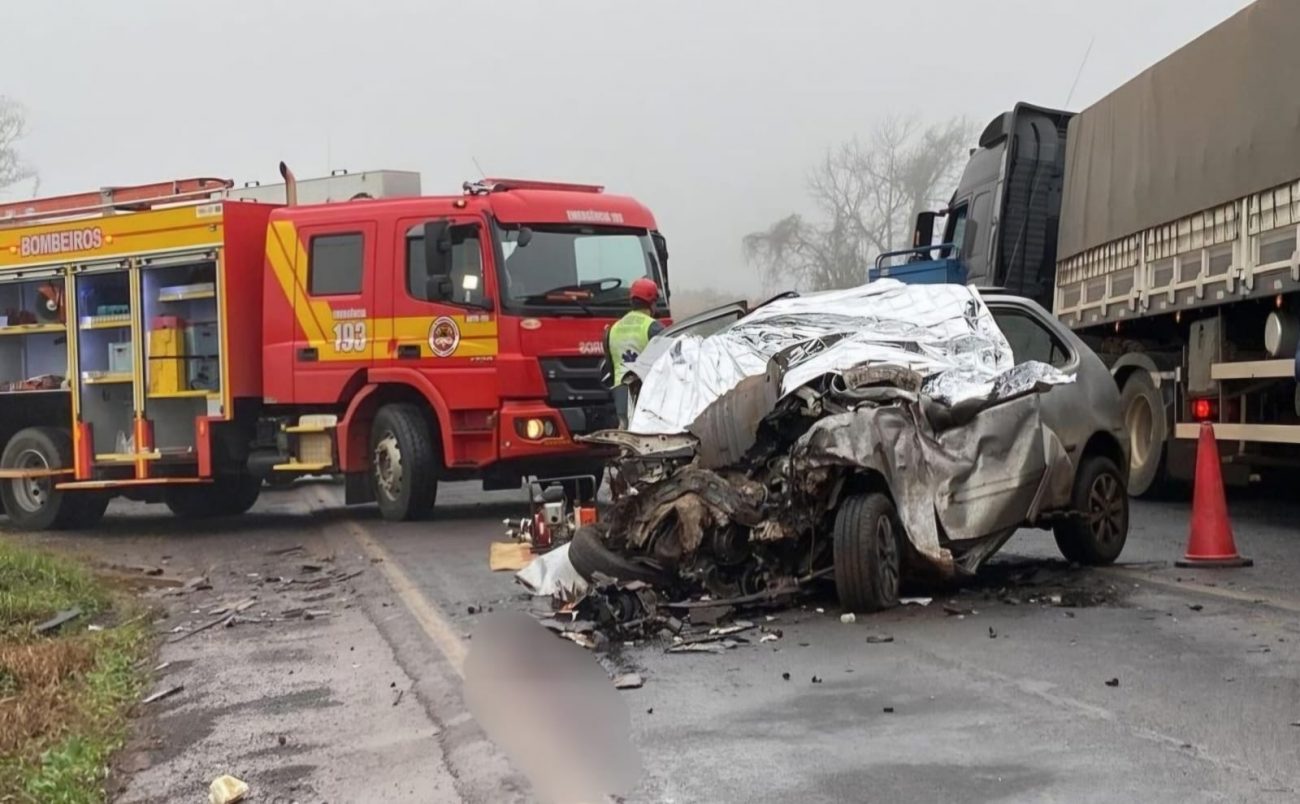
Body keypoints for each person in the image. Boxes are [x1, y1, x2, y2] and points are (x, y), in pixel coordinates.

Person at [604, 278, 663, 426]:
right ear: (652, 302)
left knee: (625, 431)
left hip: (621, 393)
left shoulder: (613, 329)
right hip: (647, 393)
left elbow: (611, 366)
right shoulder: (653, 327)